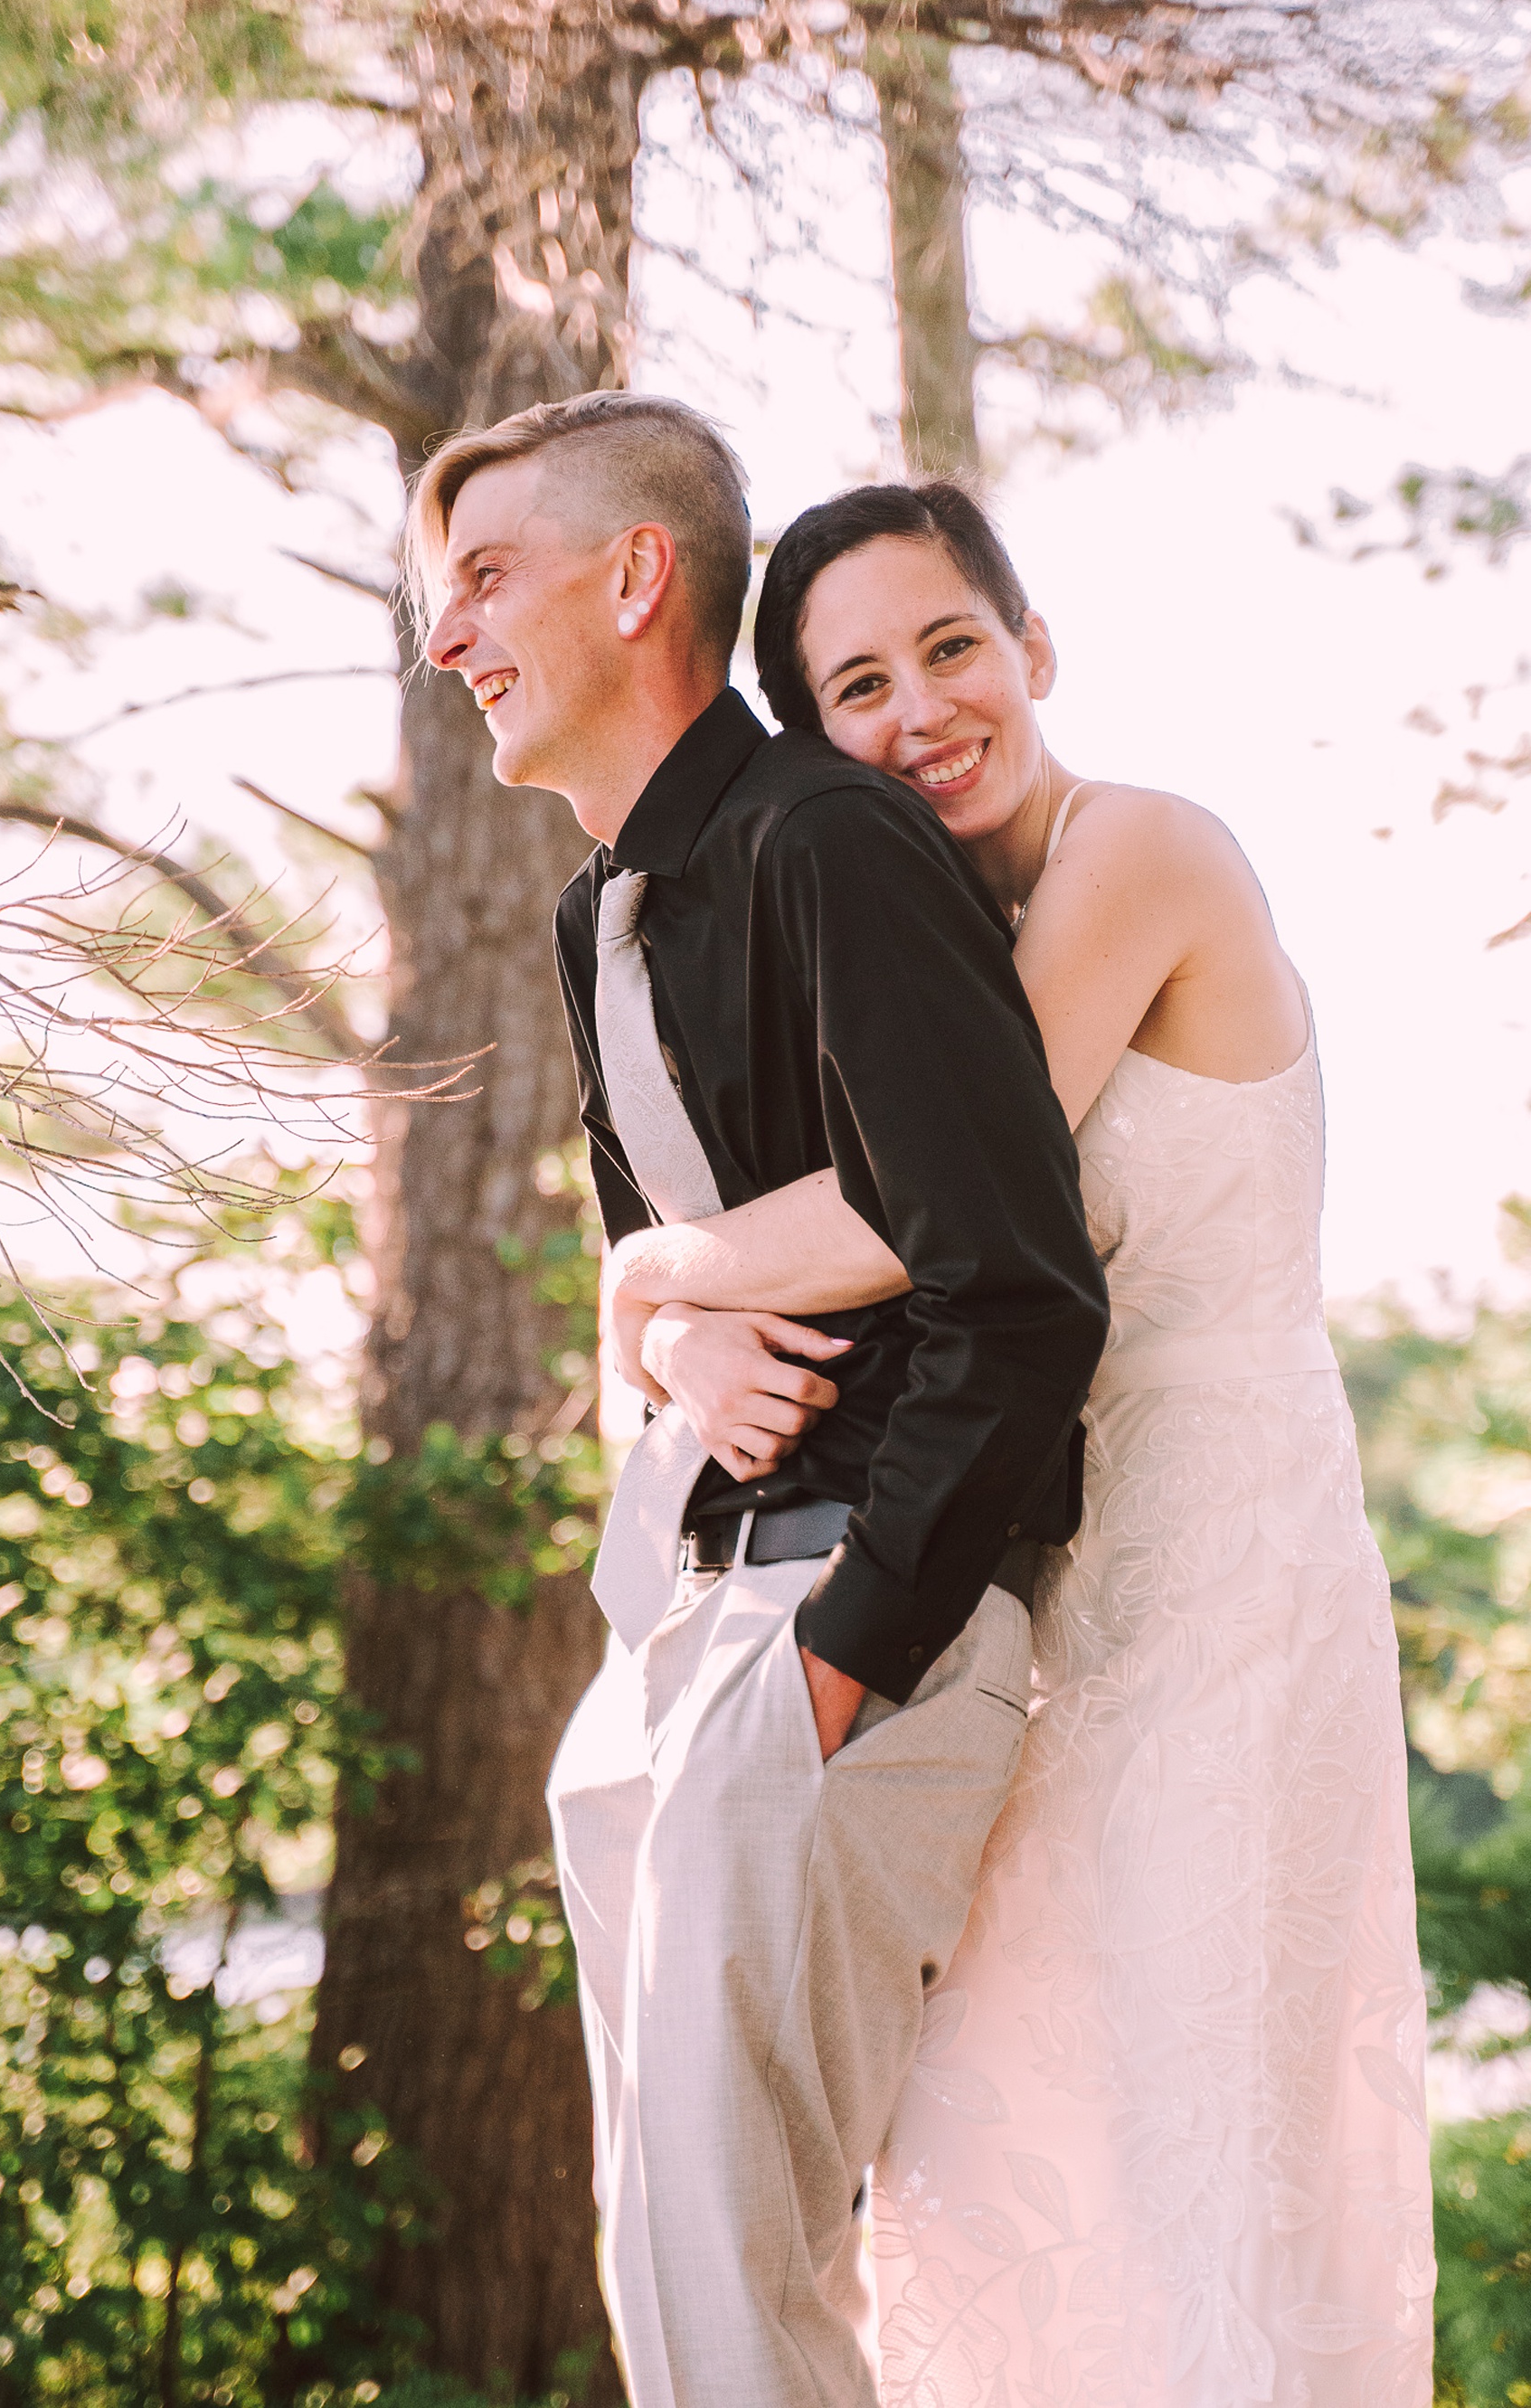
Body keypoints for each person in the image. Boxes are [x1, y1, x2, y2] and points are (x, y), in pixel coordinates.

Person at [603, 480, 1435, 2408]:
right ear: (818, 740)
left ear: (1033, 647)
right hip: (1028, 1591)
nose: (921, 713)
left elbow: (916, 1207)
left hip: (1221, 1569)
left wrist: (647, 1274)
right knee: (1005, 2130)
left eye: (951, 649)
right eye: (860, 689)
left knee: (1203, 2118)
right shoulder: (925, 939)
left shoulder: (1141, 851)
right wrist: (684, 1340)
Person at [411, 397, 1110, 2408]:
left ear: (636, 578)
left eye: (483, 579)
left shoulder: (827, 838)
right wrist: (657, 1330)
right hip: (676, 1616)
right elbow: (664, 1255)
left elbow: (1014, 1281)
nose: (445, 636)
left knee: (735, 2269)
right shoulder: (592, 912)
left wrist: (847, 1655)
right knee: (667, 2256)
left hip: (839, 1624)